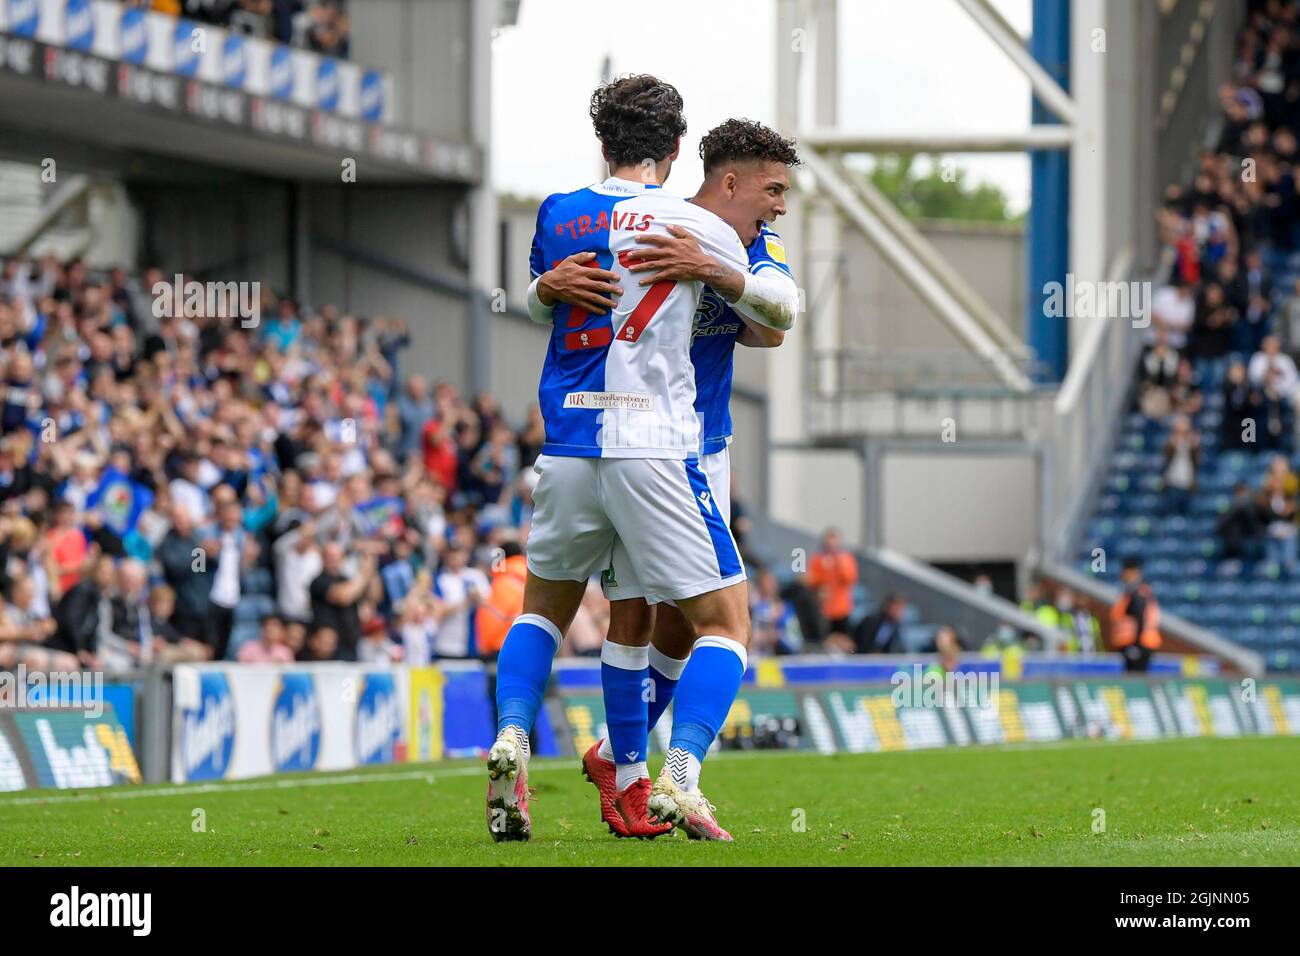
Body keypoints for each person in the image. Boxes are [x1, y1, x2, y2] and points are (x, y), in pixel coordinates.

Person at [487, 76, 797, 843]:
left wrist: (538, 292)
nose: (780, 206)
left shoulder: (560, 213)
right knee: (720, 623)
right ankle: (671, 774)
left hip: (568, 444)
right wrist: (719, 270)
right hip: (659, 444)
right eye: (775, 190)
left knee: (548, 611)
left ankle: (516, 739)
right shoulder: (701, 230)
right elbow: (777, 318)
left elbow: (548, 298)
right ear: (683, 152)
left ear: (602, 143)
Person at [807, 528, 859, 645]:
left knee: (843, 640)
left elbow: (850, 578)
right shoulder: (818, 559)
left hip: (842, 608)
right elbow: (813, 580)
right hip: (824, 608)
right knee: (825, 640)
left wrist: (838, 563)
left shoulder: (846, 558)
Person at [1109, 558, 1161, 672]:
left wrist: (1136, 646)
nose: (1122, 575)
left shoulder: (1137, 593)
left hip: (1139, 645)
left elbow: (1140, 618)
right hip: (1139, 644)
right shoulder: (1138, 591)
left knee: (1135, 679)